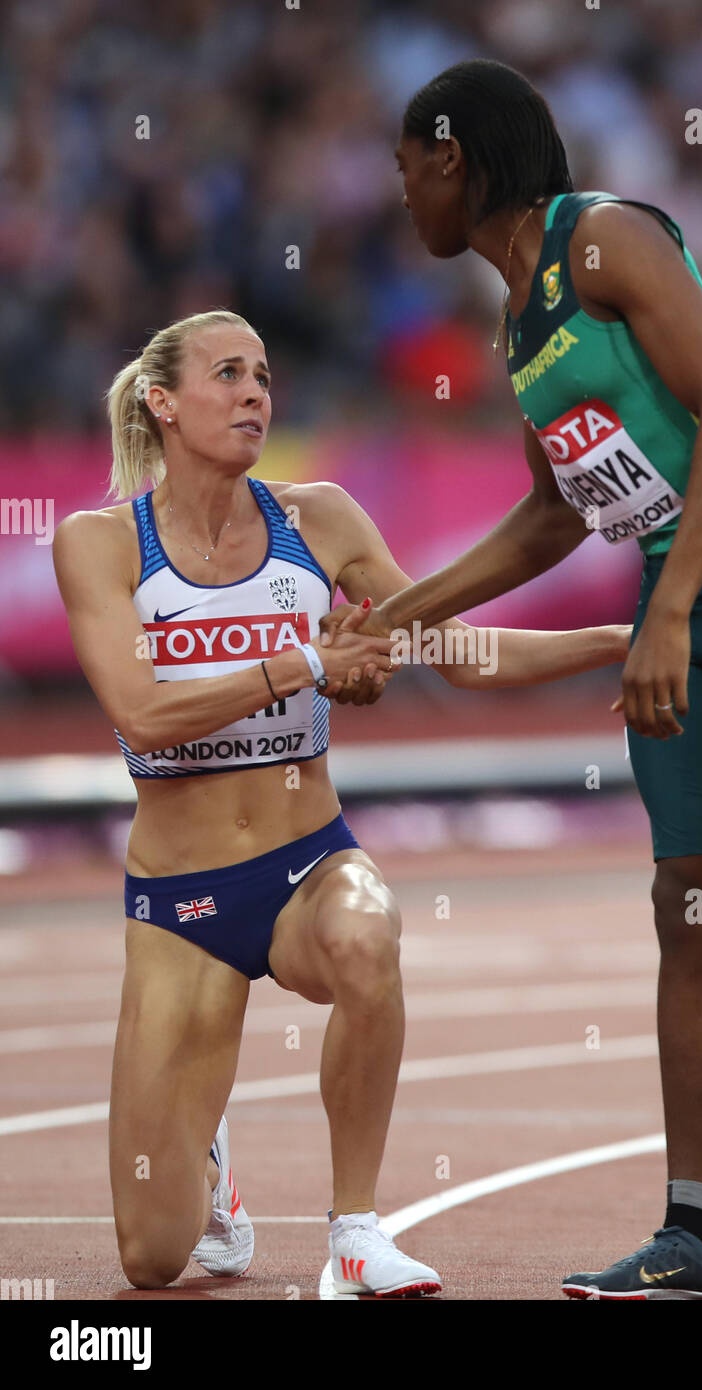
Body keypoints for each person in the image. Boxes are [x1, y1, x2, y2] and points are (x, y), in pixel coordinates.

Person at [323, 58, 702, 1300]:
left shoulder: (605, 242)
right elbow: (550, 520)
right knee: (688, 913)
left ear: (454, 155)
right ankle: (693, 1237)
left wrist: (670, 608)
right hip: (676, 601)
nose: (398, 191)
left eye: (406, 166)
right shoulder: (516, 320)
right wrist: (390, 623)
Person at [52, 308, 631, 1297]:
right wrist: (311, 660)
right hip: (180, 904)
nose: (253, 395)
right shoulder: (97, 543)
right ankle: (209, 1156)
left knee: (369, 937)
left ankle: (355, 1232)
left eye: (264, 377)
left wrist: (620, 638)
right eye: (227, 375)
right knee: (153, 1259)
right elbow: (145, 717)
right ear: (161, 402)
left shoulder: (319, 521)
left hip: (303, 864)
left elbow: (454, 649)